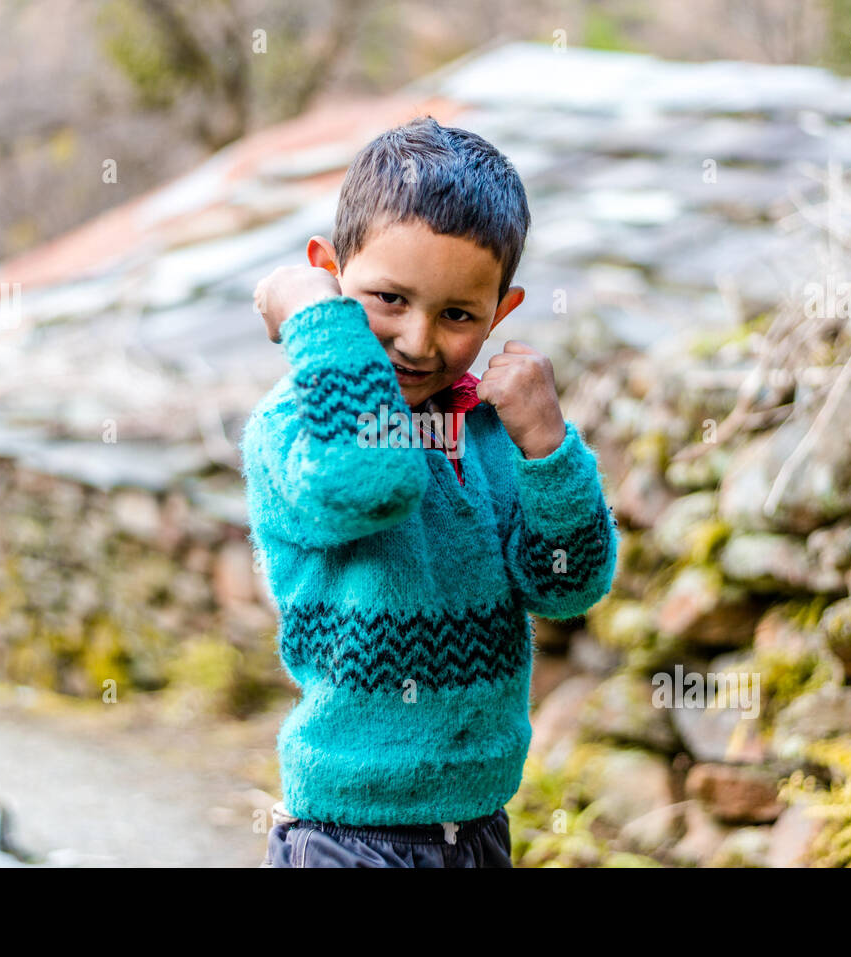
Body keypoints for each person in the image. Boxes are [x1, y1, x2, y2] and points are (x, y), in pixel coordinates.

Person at [242, 115, 618, 867]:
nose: (418, 341)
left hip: (477, 825)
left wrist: (547, 448)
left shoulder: (490, 430)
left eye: (456, 315)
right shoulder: (295, 427)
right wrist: (318, 321)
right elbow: (368, 482)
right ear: (329, 270)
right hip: (350, 833)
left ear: (500, 313)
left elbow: (566, 585)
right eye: (387, 299)